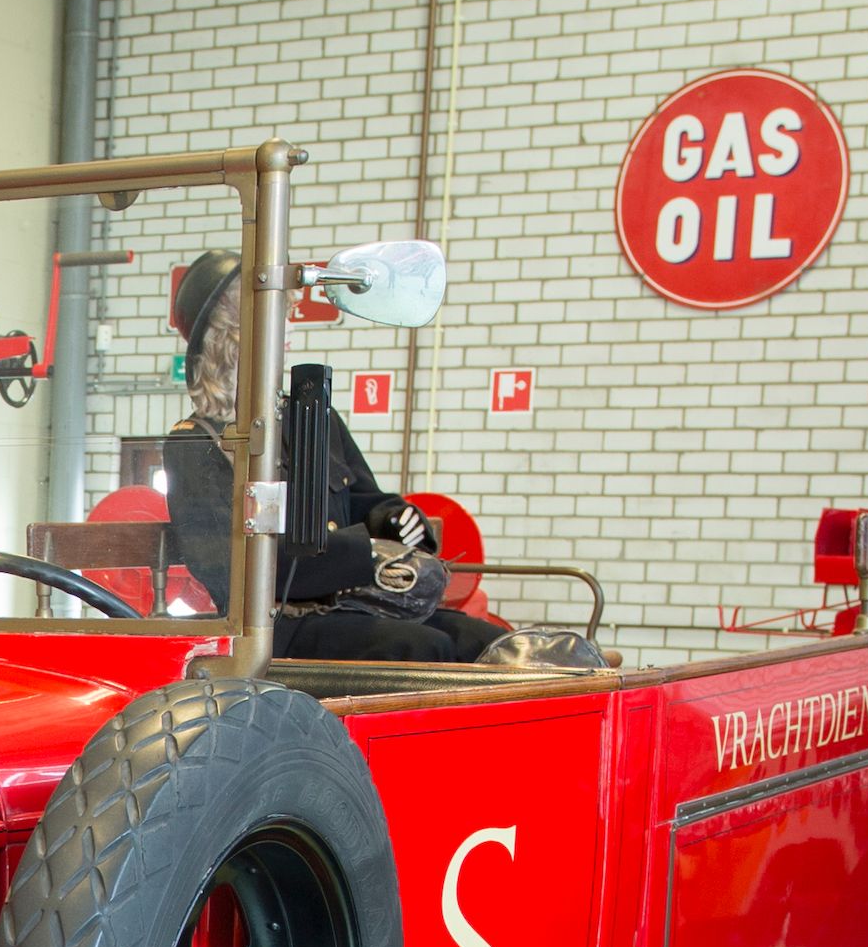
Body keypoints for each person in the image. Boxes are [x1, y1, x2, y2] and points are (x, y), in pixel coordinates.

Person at [152, 248, 600, 670]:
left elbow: (364, 498)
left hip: (354, 602)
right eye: (276, 318)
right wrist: (362, 553)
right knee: (424, 648)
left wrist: (395, 518)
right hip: (275, 625)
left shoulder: (310, 417)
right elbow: (232, 569)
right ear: (233, 332)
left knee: (482, 640)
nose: (290, 330)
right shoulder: (198, 445)